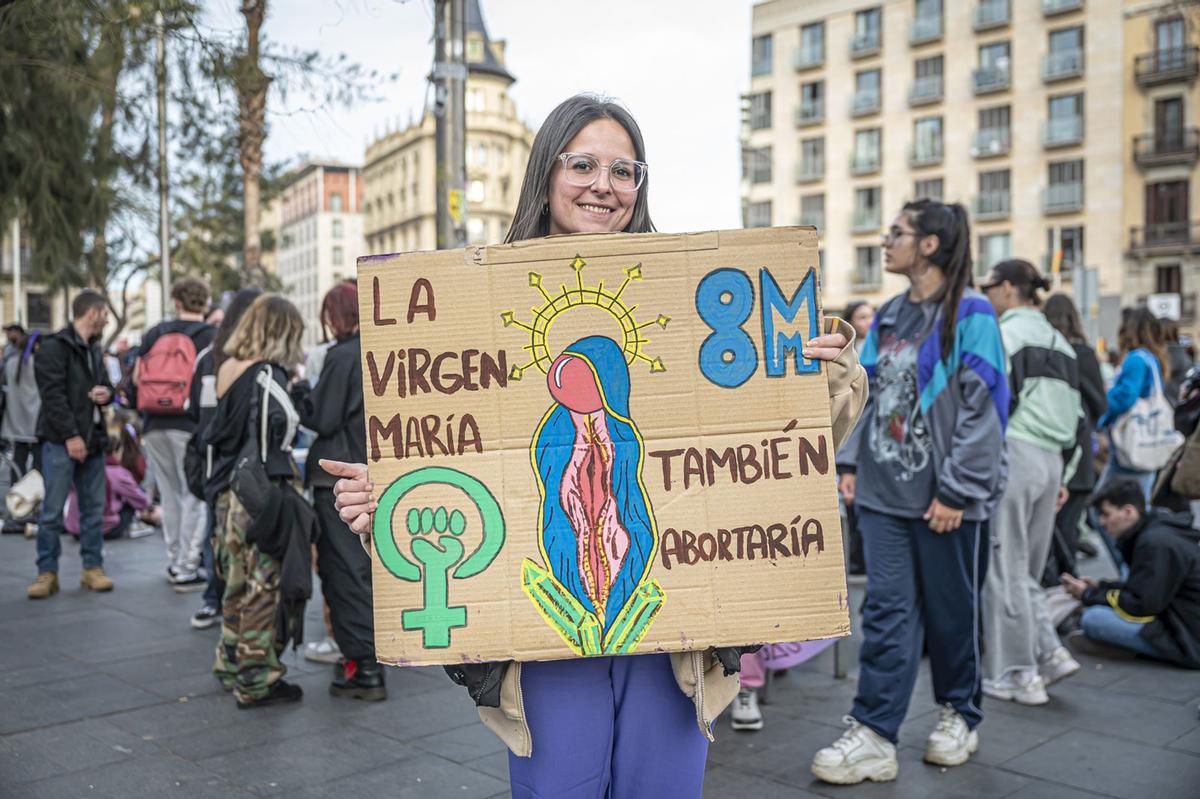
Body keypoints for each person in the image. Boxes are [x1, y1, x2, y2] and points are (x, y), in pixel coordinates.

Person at [324, 93, 868, 798]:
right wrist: (388, 504)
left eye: (624, 169)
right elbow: (452, 466)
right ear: (547, 175)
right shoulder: (477, 301)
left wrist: (829, 373)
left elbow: (779, 450)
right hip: (548, 631)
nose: (603, 185)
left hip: (670, 630)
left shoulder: (688, 295)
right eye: (583, 164)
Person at [813, 199, 1008, 784]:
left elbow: (987, 408)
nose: (885, 240)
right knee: (889, 614)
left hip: (945, 502)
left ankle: (959, 715)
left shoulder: (972, 313)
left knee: (952, 616)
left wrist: (957, 491)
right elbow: (861, 391)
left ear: (928, 245)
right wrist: (848, 460)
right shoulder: (893, 313)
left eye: (896, 232)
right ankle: (874, 731)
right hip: (883, 497)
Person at [979, 260, 1083, 705]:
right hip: (1053, 461)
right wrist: (1068, 471)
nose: (985, 295)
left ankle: (1015, 672)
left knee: (1004, 568)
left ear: (1006, 288)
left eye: (989, 287)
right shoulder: (1061, 340)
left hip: (1017, 452)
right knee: (1027, 568)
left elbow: (996, 402)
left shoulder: (1006, 334)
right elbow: (1079, 416)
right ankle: (1048, 652)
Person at [203, 294, 306, 708]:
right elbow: (281, 428)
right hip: (260, 495)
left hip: (228, 491)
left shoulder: (226, 366)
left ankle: (229, 661)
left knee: (234, 581)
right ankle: (256, 678)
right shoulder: (268, 374)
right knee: (263, 585)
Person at [289, 280, 384, 701]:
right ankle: (371, 657)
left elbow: (321, 417)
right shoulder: (380, 348)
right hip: (375, 471)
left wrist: (299, 394)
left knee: (344, 572)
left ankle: (362, 667)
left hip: (338, 478)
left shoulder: (341, 356)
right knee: (366, 571)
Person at [27, 290, 115, 599]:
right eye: (105, 312)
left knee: (93, 509)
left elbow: (105, 384)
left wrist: (109, 394)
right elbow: (53, 397)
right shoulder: (54, 346)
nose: (107, 318)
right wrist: (70, 436)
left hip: (92, 440)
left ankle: (92, 567)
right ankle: (46, 572)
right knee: (52, 510)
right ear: (92, 313)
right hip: (61, 441)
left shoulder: (94, 348)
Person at [1062, 479, 1199, 669]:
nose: (1101, 522)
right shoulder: (1156, 531)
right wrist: (1101, 588)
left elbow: (1142, 604)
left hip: (1189, 638)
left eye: (1106, 514)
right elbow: (1144, 587)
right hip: (1184, 619)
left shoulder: (1155, 543)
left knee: (1093, 619)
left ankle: (1129, 647)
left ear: (1128, 512)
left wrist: (1088, 595)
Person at [135, 276, 217, 591]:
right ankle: (186, 565)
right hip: (189, 423)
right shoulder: (211, 336)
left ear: (177, 302)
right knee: (192, 493)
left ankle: (173, 559)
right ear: (205, 304)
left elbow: (135, 377)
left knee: (168, 493)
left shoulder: (155, 332)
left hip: (153, 422)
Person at [188, 287, 261, 630]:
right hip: (238, 466)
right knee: (233, 545)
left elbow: (199, 414)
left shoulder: (209, 358)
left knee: (215, 537)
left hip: (214, 462)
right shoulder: (248, 362)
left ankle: (212, 600)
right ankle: (227, 608)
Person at [1044, 294, 1106, 578]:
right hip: (1077, 450)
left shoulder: (1044, 350)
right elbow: (1100, 404)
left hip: (1044, 447)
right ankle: (1065, 587)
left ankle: (1052, 586)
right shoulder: (1081, 354)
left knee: (1045, 530)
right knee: (1067, 527)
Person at [1097, 308, 1171, 501]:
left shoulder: (1136, 359)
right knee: (1137, 504)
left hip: (1130, 441)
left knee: (1102, 507)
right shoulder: (1153, 360)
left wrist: (1103, 412)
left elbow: (1125, 397)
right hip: (1147, 442)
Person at [65, 417, 153, 540]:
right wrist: (149, 506)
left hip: (75, 528)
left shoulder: (81, 468)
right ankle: (136, 523)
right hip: (104, 529)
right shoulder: (118, 473)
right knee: (134, 496)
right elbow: (141, 500)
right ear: (117, 451)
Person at [837, 299, 875, 578]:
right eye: (862, 317)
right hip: (852, 446)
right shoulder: (848, 356)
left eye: (871, 315)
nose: (869, 322)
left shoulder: (877, 348)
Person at [1, 326, 42, 475]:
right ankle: (35, 494)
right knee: (38, 464)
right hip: (37, 422)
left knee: (18, 463)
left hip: (16, 421)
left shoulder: (10, 363)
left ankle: (16, 492)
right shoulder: (38, 363)